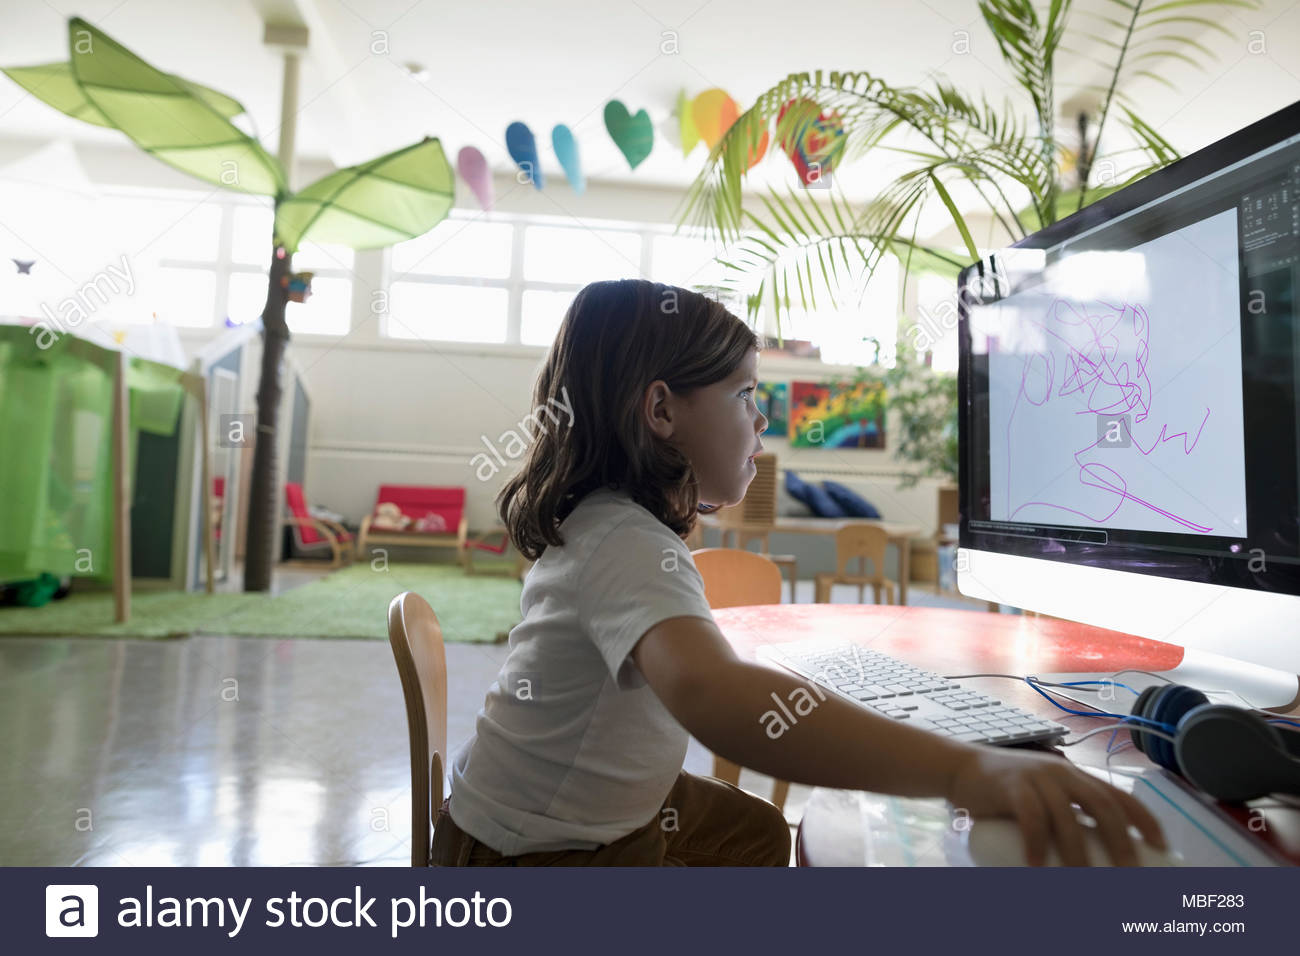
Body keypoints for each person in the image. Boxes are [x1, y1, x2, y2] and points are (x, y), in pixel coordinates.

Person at [430, 278, 1167, 867]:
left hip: (538, 818)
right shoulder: (622, 538)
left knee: (753, 834)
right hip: (534, 856)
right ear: (661, 410)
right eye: (746, 395)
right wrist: (962, 771)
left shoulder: (614, 524)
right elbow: (714, 693)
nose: (761, 421)